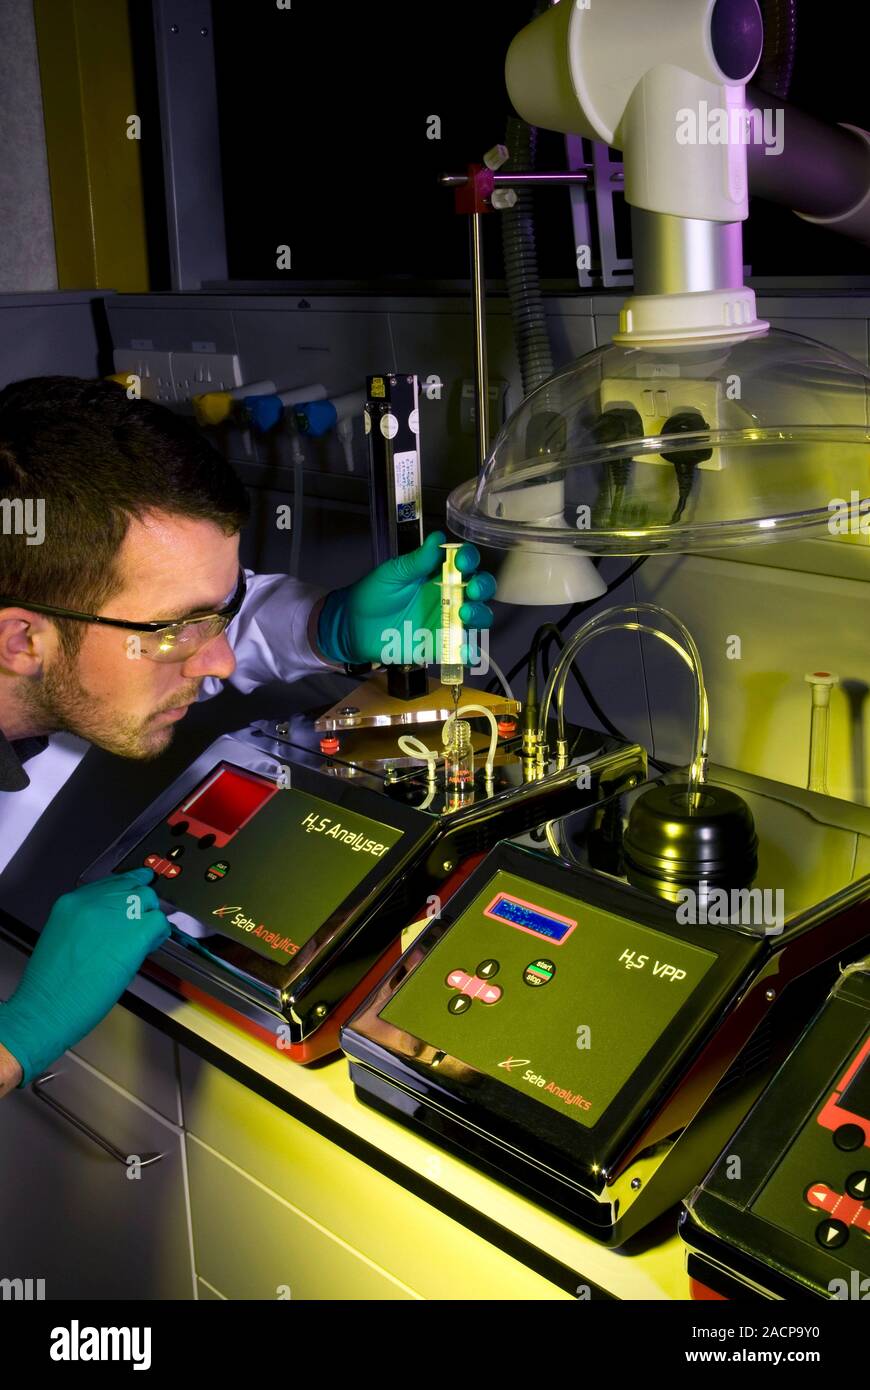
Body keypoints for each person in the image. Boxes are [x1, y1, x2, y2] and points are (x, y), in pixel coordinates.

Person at [0, 376, 495, 1096]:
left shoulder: (57, 614)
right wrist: (21, 1037)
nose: (221, 659)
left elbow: (179, 604)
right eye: (177, 632)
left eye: (220, 612)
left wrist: (328, 626)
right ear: (21, 641)